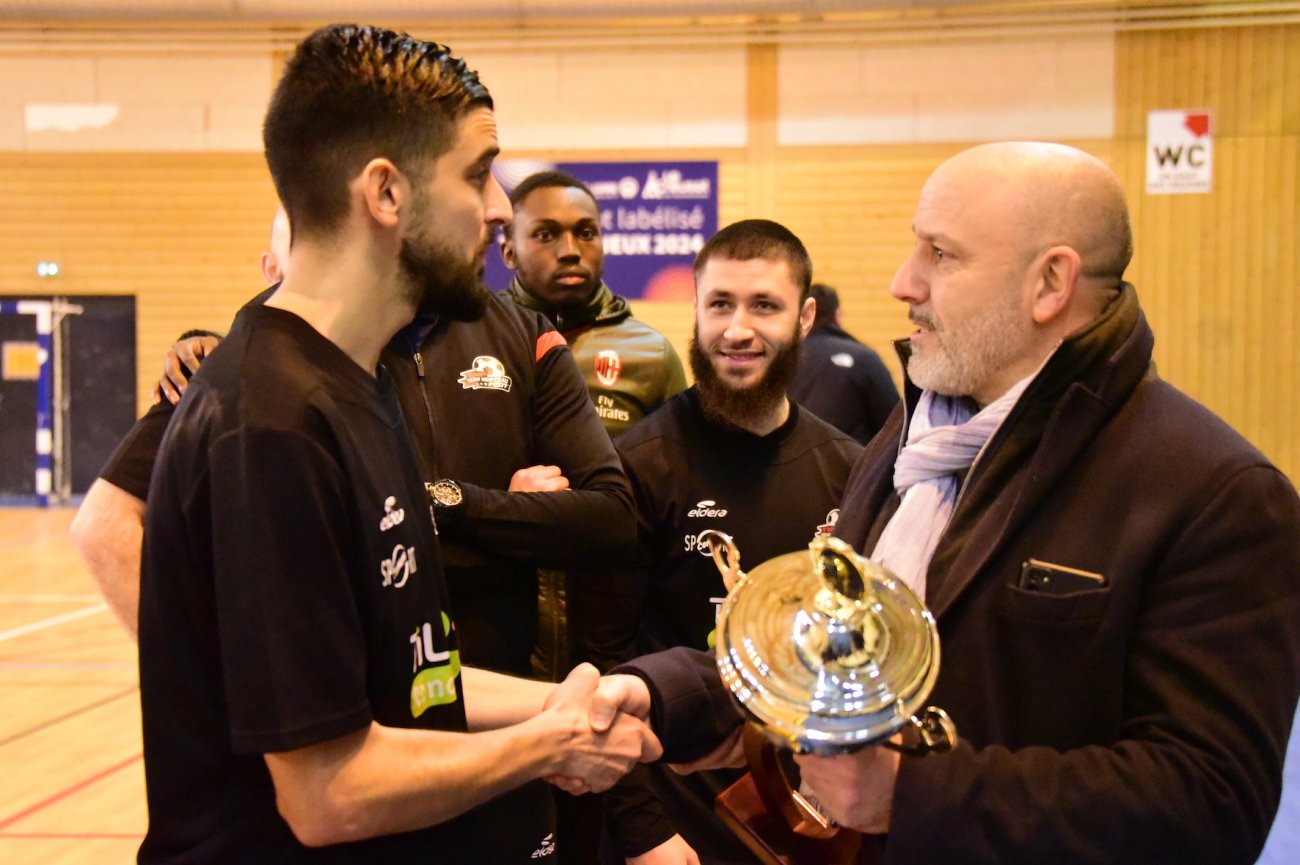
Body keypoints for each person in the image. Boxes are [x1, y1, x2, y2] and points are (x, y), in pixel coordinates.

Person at [610, 141, 1300, 865]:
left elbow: (1212, 801)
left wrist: (911, 792)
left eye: (940, 254)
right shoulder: (913, 440)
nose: (903, 281)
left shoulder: (1217, 493)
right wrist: (680, 695)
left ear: (1049, 283)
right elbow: (842, 648)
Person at [132, 24, 658, 864]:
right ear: (386, 193)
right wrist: (552, 744)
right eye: (478, 173)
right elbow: (326, 791)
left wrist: (567, 700)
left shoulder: (355, 383)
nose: (497, 211)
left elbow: (417, 681)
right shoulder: (270, 423)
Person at [572, 220, 863, 865]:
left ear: (806, 315)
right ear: (696, 310)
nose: (738, 329)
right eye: (720, 304)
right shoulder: (637, 466)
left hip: (812, 810)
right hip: (673, 816)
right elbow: (599, 659)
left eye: (765, 305)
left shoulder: (851, 471)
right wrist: (643, 830)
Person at [502, 170, 687, 438]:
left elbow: (678, 472)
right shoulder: (476, 340)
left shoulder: (652, 355)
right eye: (545, 235)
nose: (570, 251)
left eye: (586, 233)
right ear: (510, 253)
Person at [788, 282, 899, 444]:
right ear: (837, 315)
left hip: (789, 463)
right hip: (851, 465)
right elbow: (896, 426)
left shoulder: (780, 359)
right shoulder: (863, 358)